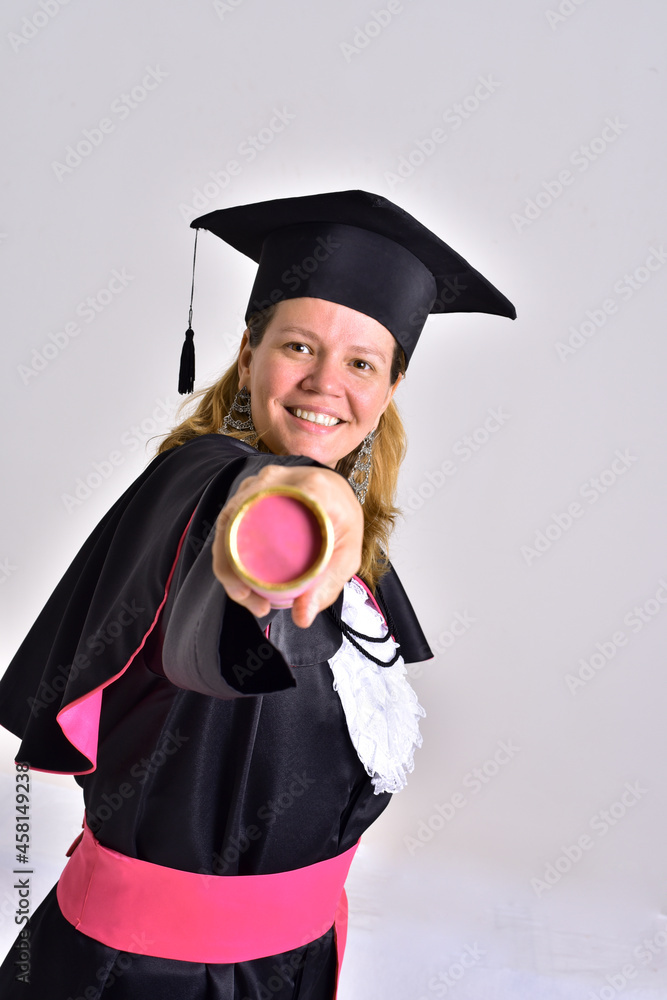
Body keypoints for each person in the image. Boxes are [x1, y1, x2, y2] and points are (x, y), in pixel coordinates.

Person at [0, 190, 515, 999]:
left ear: (387, 389)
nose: (324, 382)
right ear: (248, 356)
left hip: (288, 965)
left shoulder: (360, 562)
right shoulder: (202, 487)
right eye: (298, 345)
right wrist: (309, 498)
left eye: (360, 363)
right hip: (151, 978)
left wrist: (341, 509)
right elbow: (247, 504)